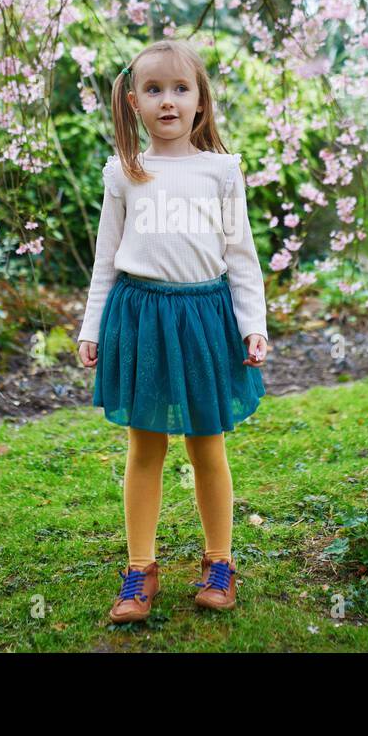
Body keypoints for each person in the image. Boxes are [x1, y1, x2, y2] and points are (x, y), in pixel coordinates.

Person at [77, 37, 269, 623]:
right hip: (139, 317)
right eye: (154, 89)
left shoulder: (220, 171)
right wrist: (92, 327)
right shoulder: (125, 172)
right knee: (145, 447)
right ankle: (140, 569)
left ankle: (219, 563)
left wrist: (251, 325)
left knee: (207, 444)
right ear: (133, 102)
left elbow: (241, 256)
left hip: (205, 319)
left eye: (180, 89)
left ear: (200, 103)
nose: (168, 100)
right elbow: (107, 258)